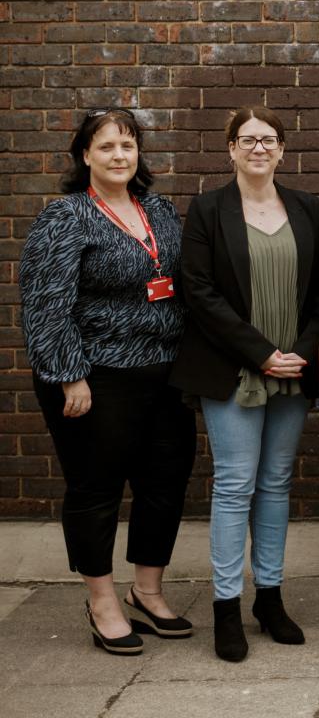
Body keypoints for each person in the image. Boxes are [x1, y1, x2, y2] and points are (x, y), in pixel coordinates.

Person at [19, 108, 196, 655]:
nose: (121, 156)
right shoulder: (64, 218)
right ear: (84, 156)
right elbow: (46, 306)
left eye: (128, 145)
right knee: (96, 490)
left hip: (164, 374)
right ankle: (101, 601)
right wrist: (70, 376)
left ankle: (148, 590)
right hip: (96, 377)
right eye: (107, 147)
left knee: (164, 482)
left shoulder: (159, 210)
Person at [170, 106, 319, 662]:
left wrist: (298, 356)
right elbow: (198, 292)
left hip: (293, 371)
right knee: (236, 485)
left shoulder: (307, 207)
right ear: (231, 149)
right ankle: (225, 608)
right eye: (247, 139)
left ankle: (269, 598)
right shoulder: (209, 209)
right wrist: (261, 354)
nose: (258, 148)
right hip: (234, 370)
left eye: (269, 139)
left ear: (283, 150)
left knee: (277, 482)